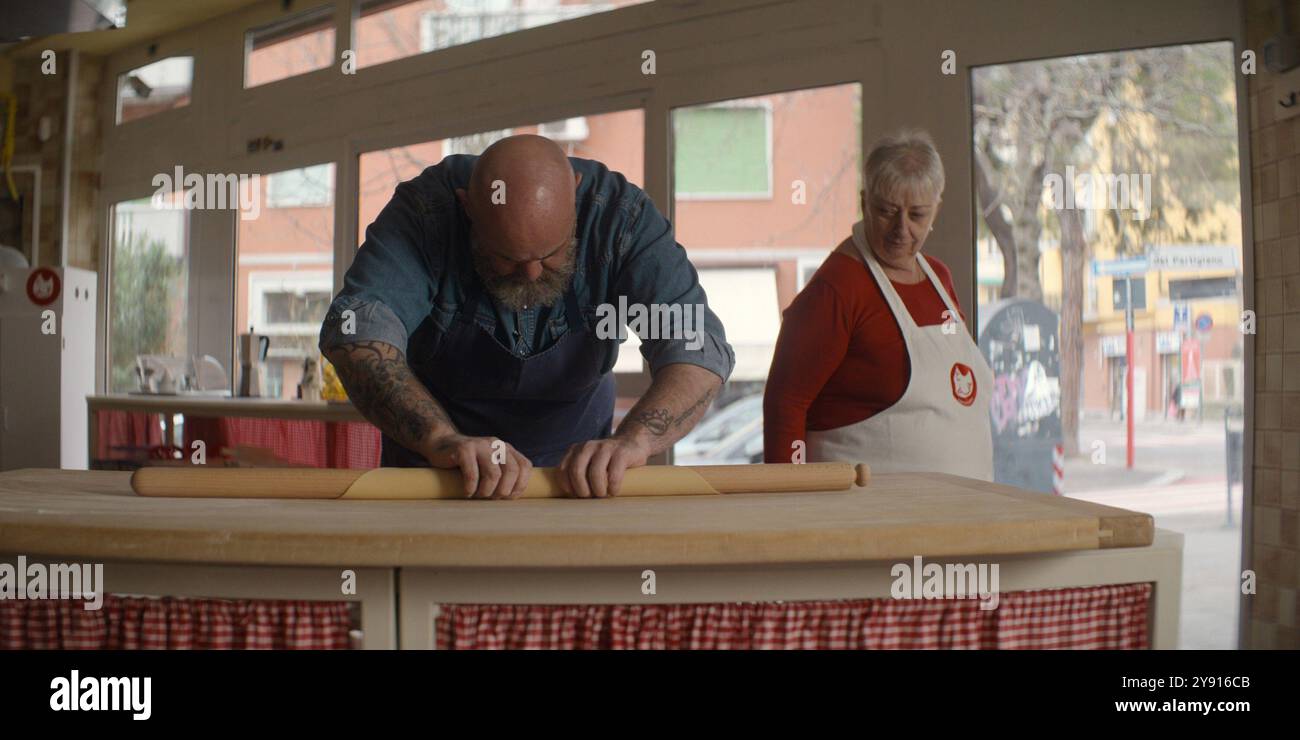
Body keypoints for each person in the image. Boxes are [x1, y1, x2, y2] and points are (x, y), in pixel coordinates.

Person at [320, 135, 734, 499]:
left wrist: (634, 441)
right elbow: (357, 333)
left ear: (574, 194)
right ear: (467, 210)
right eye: (506, 259)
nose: (531, 274)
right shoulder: (427, 213)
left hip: (575, 474)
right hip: (441, 472)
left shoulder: (621, 218)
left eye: (550, 254)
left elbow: (696, 347)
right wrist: (442, 439)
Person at [763, 129, 993, 480]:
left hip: (956, 520)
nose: (901, 229)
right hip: (868, 520)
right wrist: (792, 499)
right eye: (886, 211)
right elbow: (786, 404)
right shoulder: (837, 288)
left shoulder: (940, 279)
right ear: (863, 201)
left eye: (917, 215)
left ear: (937, 210)